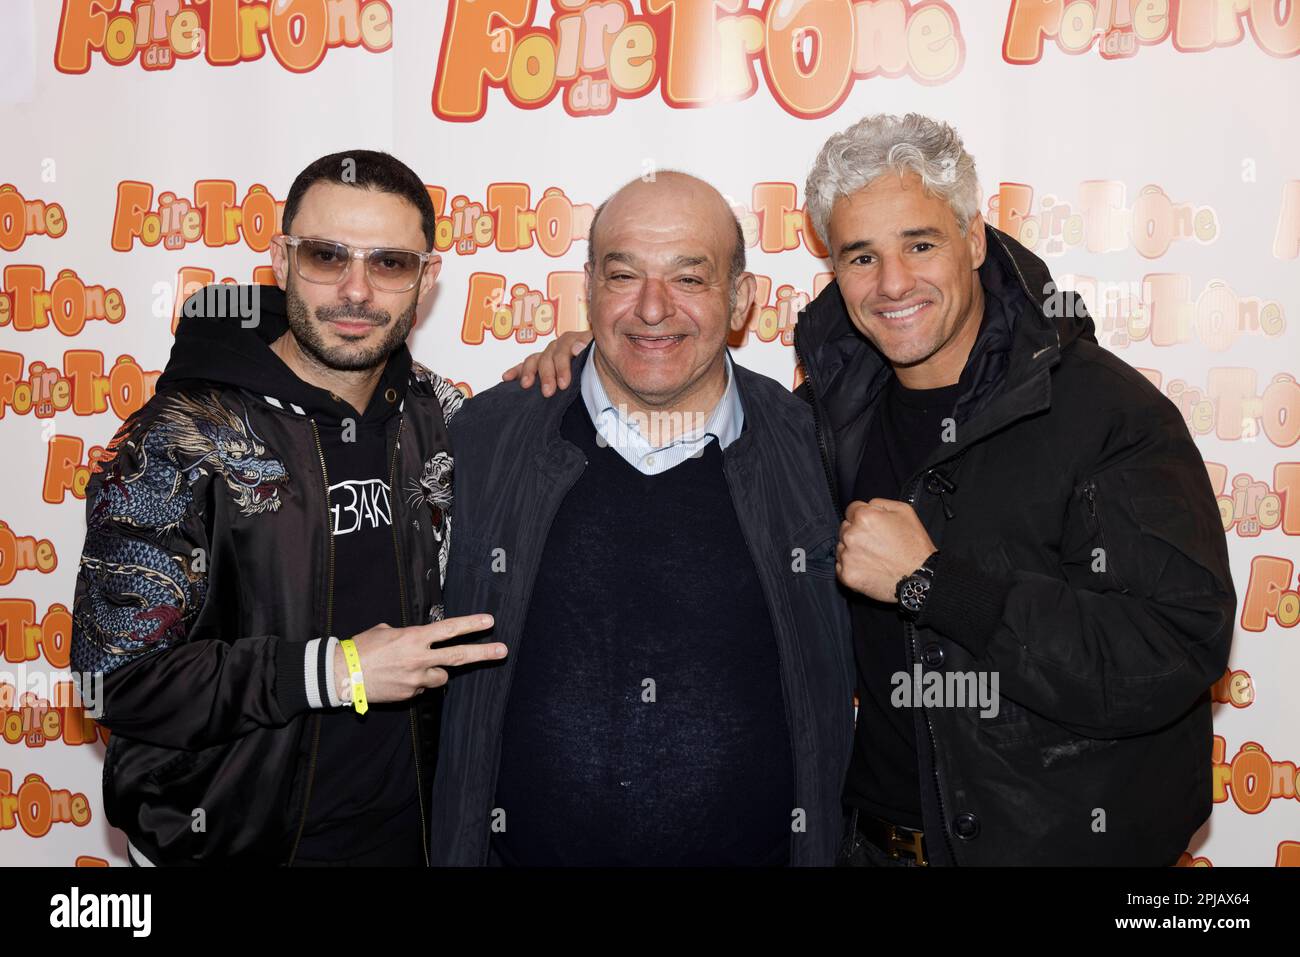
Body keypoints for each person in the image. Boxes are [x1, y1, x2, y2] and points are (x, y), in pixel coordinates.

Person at [507, 114, 1236, 866]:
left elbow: (1173, 649)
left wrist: (936, 583)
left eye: (920, 244)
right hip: (868, 846)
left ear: (975, 240)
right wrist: (591, 366)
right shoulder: (825, 414)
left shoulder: (1105, 413)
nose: (892, 283)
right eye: (861, 256)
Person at [69, 150, 505, 866]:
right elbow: (112, 680)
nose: (356, 290)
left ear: (426, 280)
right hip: (238, 846)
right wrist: (335, 671)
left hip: (416, 841)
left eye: (391, 263)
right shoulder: (182, 436)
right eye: (327, 256)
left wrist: (577, 363)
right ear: (279, 259)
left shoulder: (435, 413)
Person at [428, 171, 855, 866]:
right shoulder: (485, 438)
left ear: (741, 298)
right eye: (625, 276)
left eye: (690, 279)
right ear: (589, 288)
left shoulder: (816, 449)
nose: (653, 309)